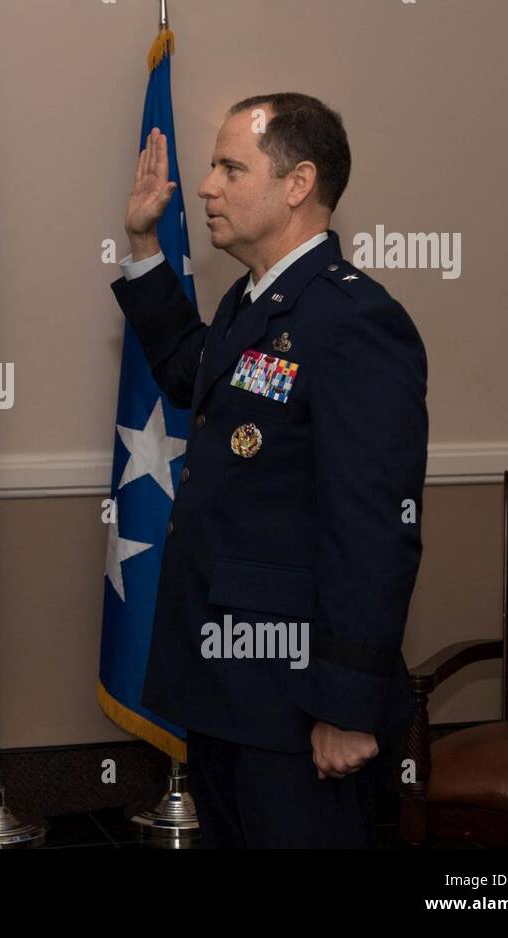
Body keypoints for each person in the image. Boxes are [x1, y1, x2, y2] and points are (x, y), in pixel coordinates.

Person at [112, 93, 428, 847]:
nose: (206, 186)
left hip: (300, 698)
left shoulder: (354, 321)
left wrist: (347, 707)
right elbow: (194, 378)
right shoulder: (253, 301)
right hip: (229, 682)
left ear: (298, 183)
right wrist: (143, 244)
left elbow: (373, 531)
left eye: (230, 167)